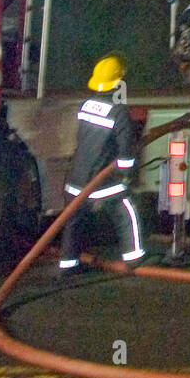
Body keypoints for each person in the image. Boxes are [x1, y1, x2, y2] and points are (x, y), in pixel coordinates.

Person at [58, 53, 145, 274]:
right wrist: (126, 176)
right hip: (103, 181)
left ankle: (68, 264)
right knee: (126, 210)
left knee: (72, 221)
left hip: (77, 179)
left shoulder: (86, 105)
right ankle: (134, 257)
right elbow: (125, 151)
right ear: (118, 83)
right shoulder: (119, 112)